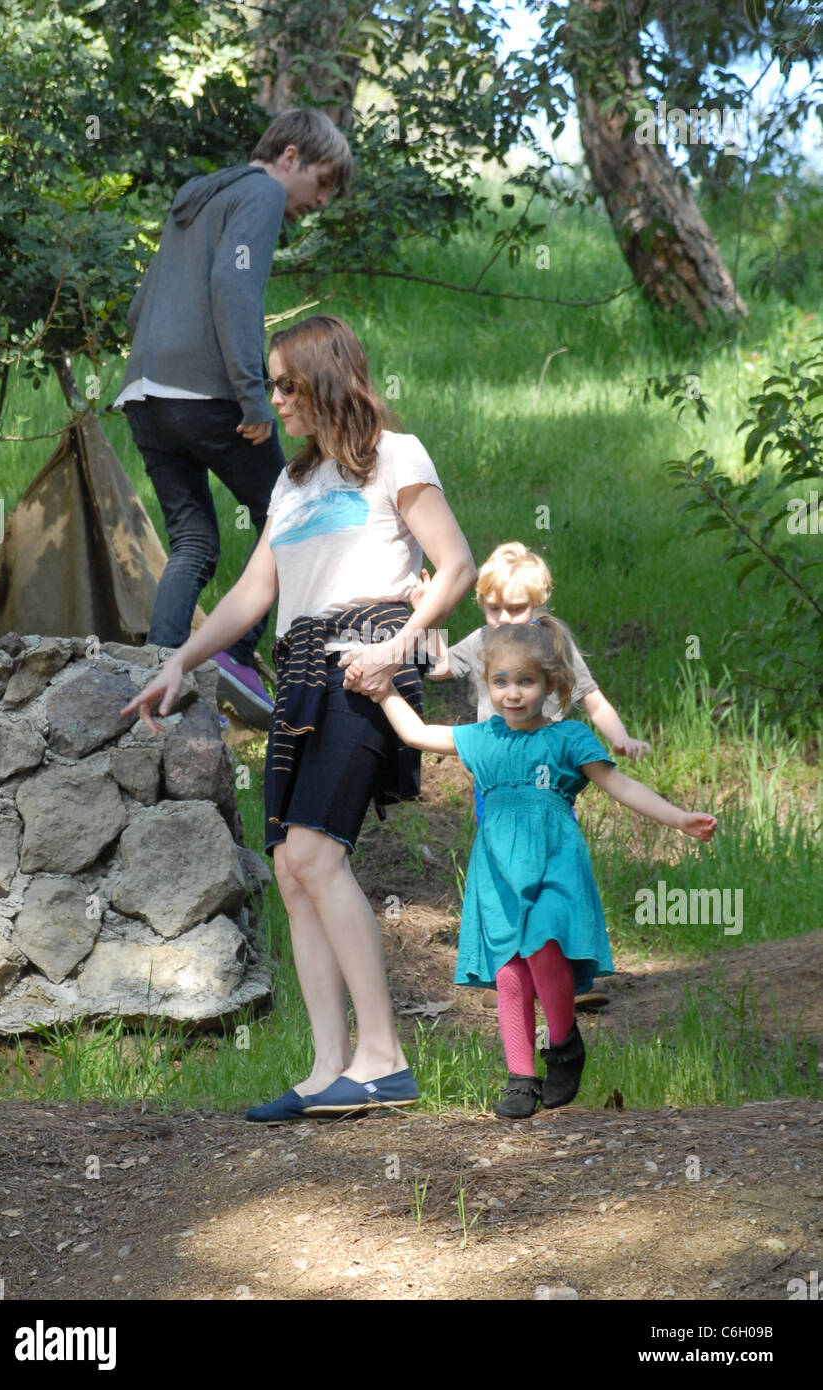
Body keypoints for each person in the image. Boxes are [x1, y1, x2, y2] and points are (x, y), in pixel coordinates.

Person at [121, 314, 476, 1122]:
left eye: (286, 383)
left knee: (318, 855)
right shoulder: (291, 484)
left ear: (326, 377)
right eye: (271, 383)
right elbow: (255, 591)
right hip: (300, 671)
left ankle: (383, 1059)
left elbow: (456, 565)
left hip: (365, 662)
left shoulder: (398, 455)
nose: (274, 398)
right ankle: (328, 1070)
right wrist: (180, 659)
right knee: (290, 868)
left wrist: (401, 648)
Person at [373, 617, 717, 1118]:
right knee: (510, 974)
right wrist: (384, 691)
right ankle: (521, 1077)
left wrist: (678, 818)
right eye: (501, 682)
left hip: (555, 866)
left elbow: (621, 787)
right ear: (487, 685)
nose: (513, 694)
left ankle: (563, 1044)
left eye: (526, 681)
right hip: (497, 874)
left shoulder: (569, 740)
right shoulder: (483, 738)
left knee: (546, 949)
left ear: (551, 684)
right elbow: (418, 733)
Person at [115, 109, 352, 724]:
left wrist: (153, 368)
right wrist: (255, 395)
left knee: (194, 537)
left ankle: (160, 667)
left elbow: (141, 305)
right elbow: (234, 287)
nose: (321, 201)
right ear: (292, 156)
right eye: (323, 182)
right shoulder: (264, 190)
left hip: (145, 394)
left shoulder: (196, 200)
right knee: (293, 518)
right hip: (208, 399)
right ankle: (237, 657)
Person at [415, 540, 651, 1010]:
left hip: (549, 777)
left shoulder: (551, 644)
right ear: (481, 605)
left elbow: (592, 698)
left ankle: (557, 963)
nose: (504, 619)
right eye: (493, 608)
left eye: (516, 608)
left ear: (540, 604)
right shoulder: (484, 642)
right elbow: (438, 667)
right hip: (497, 773)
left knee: (555, 867)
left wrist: (620, 737)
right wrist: (429, 612)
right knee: (504, 862)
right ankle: (514, 961)